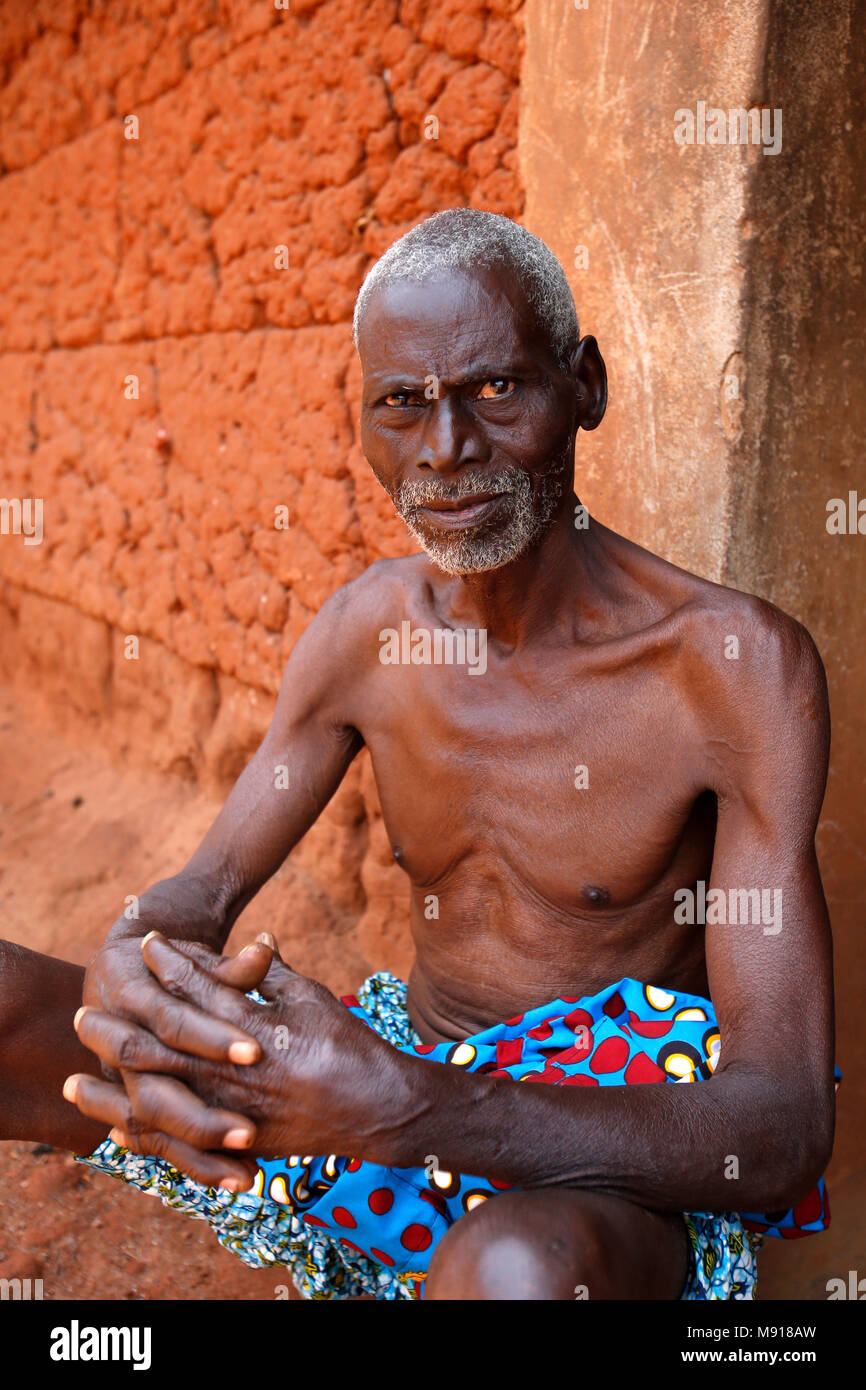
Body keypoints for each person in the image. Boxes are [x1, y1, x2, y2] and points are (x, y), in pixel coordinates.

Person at [1, 209, 835, 1301]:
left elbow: (778, 1124)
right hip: (373, 1088)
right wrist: (137, 960)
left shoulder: (729, 668)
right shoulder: (367, 634)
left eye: (494, 390)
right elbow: (200, 892)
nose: (444, 452)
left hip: (596, 1159)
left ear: (581, 385)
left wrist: (408, 1107)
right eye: (402, 403)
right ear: (361, 422)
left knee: (515, 1272)